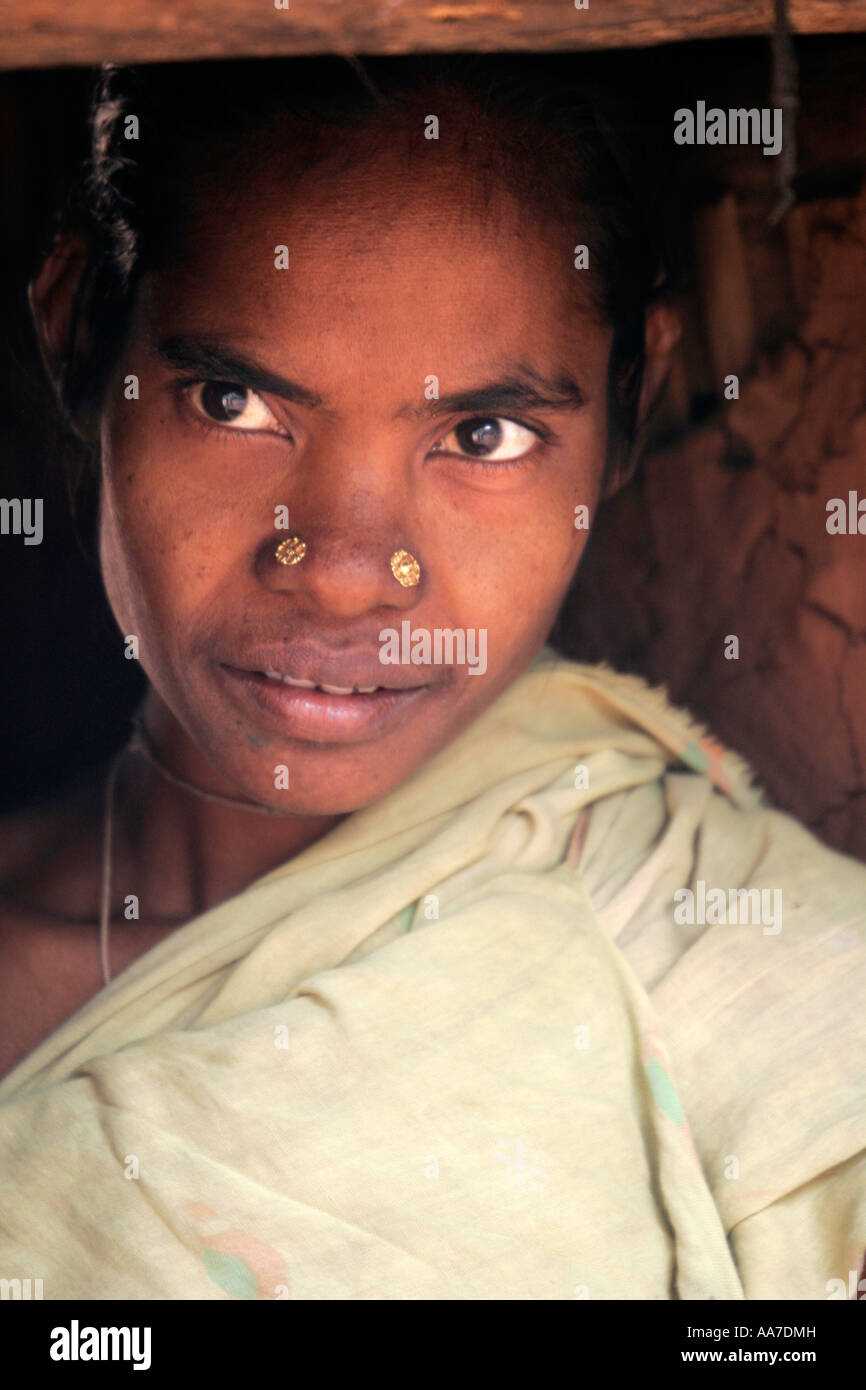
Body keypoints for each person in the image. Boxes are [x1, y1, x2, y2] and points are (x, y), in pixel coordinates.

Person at [0, 53, 862, 1301]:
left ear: (631, 397)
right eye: (233, 399)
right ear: (82, 328)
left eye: (481, 435)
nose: (347, 573)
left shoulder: (722, 959)